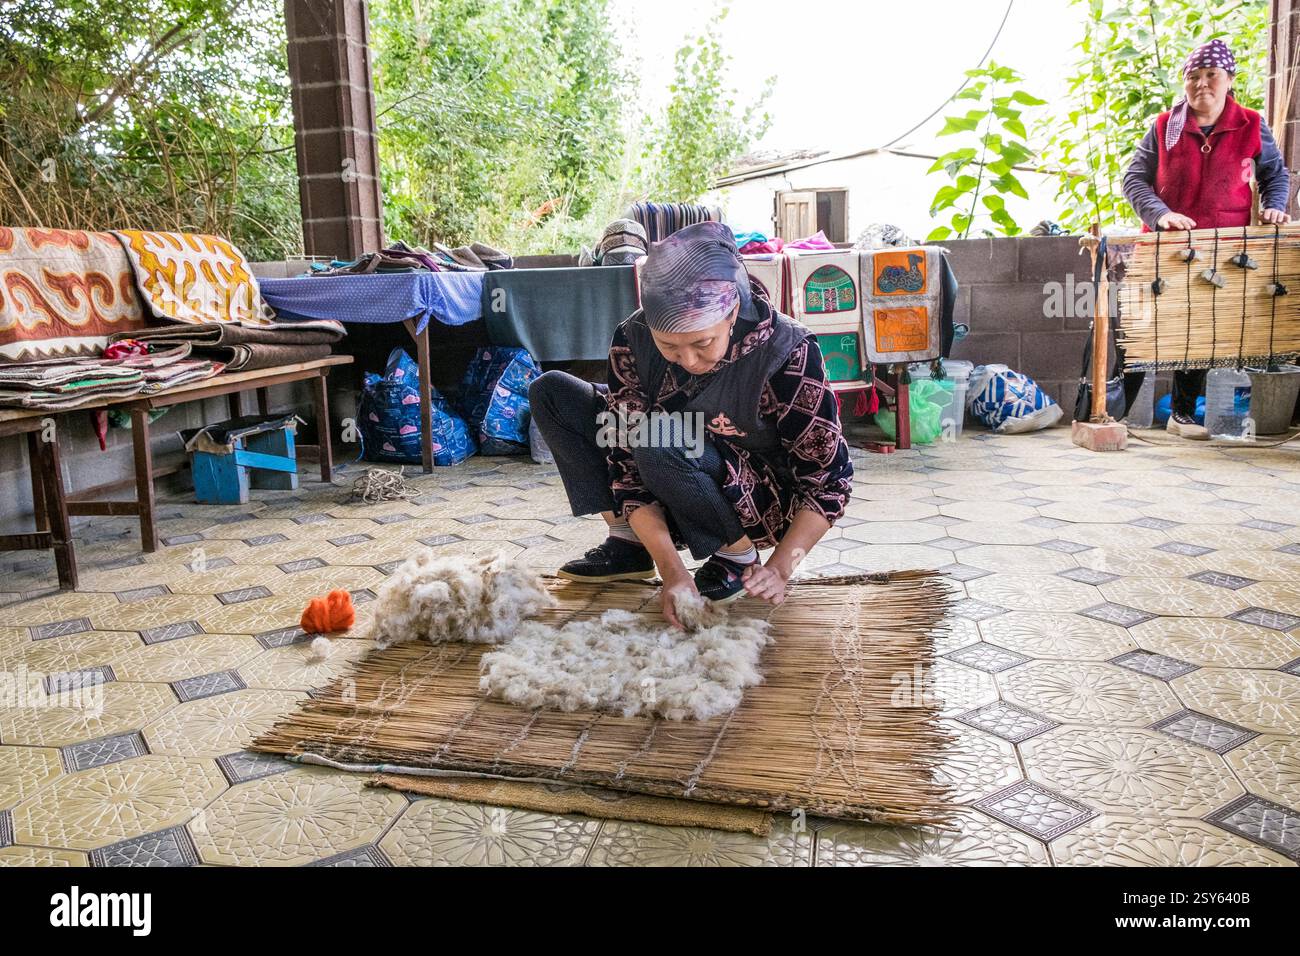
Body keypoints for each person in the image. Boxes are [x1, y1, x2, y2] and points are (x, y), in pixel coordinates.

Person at [529, 221, 854, 628]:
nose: (689, 361)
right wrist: (674, 573)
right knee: (555, 393)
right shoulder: (632, 337)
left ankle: (735, 554)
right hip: (664, 462)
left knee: (657, 436)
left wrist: (780, 568)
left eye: (703, 344)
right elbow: (626, 463)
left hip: (754, 495)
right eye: (669, 346)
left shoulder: (788, 351)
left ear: (733, 312)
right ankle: (630, 544)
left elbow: (829, 481)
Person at [1122, 38, 1292, 439]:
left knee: (1200, 330)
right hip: (1165, 245)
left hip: (1222, 246)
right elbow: (1133, 179)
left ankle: (1180, 415)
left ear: (1228, 79)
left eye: (1211, 75)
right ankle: (1112, 416)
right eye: (1193, 77)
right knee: (1141, 331)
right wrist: (1162, 215)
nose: (1202, 84)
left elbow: (1276, 175)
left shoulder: (1251, 124)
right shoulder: (1165, 126)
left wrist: (1274, 206)